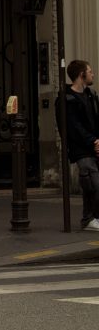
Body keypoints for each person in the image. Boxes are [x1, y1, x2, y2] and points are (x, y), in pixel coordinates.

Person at [62, 59, 99, 232]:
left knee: (92, 185)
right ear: (81, 75)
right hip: (81, 149)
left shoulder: (91, 95)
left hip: (94, 146)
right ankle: (88, 219)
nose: (92, 74)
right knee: (92, 182)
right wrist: (93, 141)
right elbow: (73, 127)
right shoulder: (67, 99)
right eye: (90, 71)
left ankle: (92, 218)